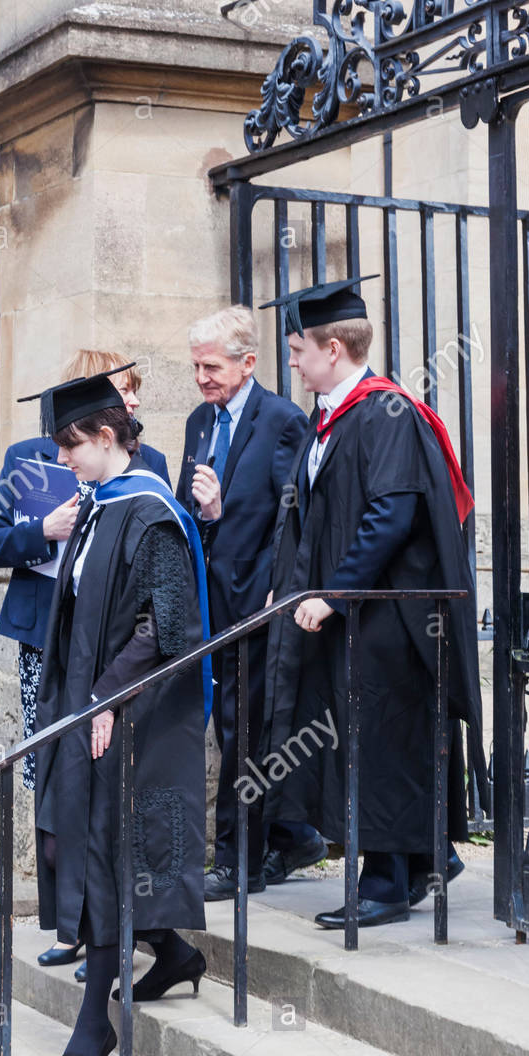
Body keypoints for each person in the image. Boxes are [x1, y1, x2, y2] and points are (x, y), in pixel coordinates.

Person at [256, 275, 486, 928]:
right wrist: (294, 579)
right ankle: (425, 860)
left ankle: (384, 882)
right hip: (354, 616)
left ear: (333, 348)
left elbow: (389, 514)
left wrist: (333, 593)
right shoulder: (328, 420)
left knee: (380, 744)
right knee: (373, 743)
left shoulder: (386, 412)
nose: (293, 363)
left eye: (298, 350)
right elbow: (314, 516)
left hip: (390, 617)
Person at [29, 368, 211, 1056]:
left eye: (71, 445)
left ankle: (93, 1025)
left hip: (131, 712)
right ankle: (172, 951)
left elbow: (169, 626)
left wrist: (106, 697)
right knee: (61, 834)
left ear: (107, 437)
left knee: (105, 853)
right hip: (82, 703)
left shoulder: (151, 512)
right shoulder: (98, 504)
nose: (62, 459)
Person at [0, 351, 169, 972]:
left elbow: (167, 572)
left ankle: (130, 923)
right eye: (120, 389)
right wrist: (44, 533)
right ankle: (69, 923)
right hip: (49, 644)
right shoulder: (30, 462)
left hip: (116, 652)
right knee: (52, 776)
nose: (130, 400)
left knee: (111, 785)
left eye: (129, 391)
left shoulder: (149, 467)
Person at [175, 306, 322, 901]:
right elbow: (200, 517)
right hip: (210, 603)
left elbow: (294, 518)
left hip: (259, 602)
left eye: (211, 366)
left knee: (245, 730)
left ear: (248, 363)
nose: (202, 378)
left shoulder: (283, 420)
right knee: (232, 724)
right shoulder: (198, 422)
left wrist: (276, 588)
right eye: (196, 367)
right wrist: (208, 518)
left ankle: (240, 862)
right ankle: (293, 836)